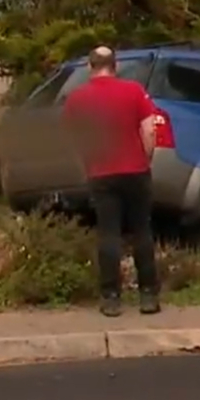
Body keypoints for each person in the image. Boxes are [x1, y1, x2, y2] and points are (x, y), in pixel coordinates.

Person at [62, 46, 163, 317]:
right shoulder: (133, 91)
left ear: (89, 67)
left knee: (109, 234)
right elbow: (149, 128)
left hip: (101, 173)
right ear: (115, 66)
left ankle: (110, 297)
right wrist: (146, 157)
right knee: (141, 231)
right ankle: (148, 295)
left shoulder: (76, 99)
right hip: (136, 170)